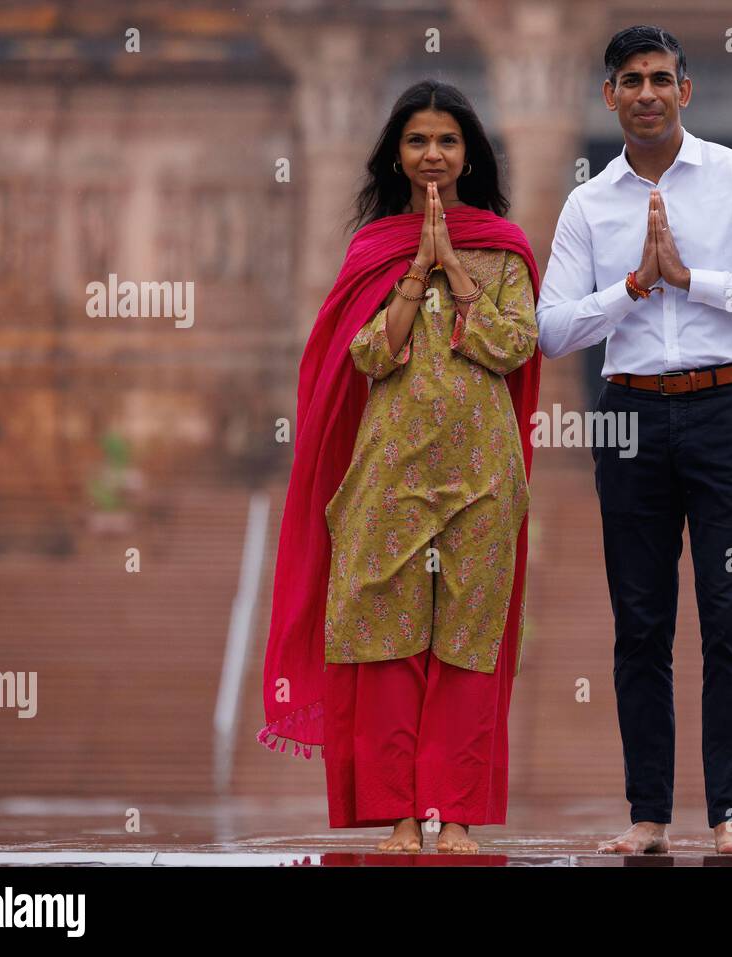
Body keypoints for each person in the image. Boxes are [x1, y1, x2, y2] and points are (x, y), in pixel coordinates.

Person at [536, 26, 732, 854]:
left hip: (726, 408)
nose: (648, 93)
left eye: (662, 78)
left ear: (685, 91)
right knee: (639, 621)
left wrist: (695, 279)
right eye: (631, 80)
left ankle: (731, 817)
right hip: (628, 414)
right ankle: (648, 816)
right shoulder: (589, 203)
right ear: (610, 97)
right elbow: (552, 330)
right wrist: (632, 287)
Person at [256, 79, 542, 855]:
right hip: (387, 471)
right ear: (396, 156)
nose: (432, 154)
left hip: (484, 472)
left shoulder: (506, 250)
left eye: (447, 140)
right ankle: (401, 817)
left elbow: (514, 344)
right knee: (386, 637)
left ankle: (454, 813)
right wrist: (416, 273)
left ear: (470, 156)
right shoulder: (373, 251)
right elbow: (367, 354)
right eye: (417, 141)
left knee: (467, 640)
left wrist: (456, 267)